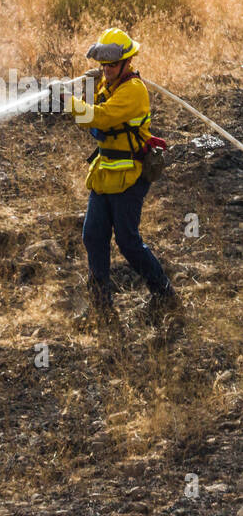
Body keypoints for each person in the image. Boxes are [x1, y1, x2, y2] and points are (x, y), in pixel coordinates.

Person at [64, 28, 179, 324]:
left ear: (128, 62)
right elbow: (93, 113)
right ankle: (101, 306)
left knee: (127, 242)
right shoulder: (108, 83)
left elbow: (100, 117)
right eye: (103, 64)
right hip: (105, 173)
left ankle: (165, 294)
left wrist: (66, 101)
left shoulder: (133, 91)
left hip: (130, 175)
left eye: (112, 64)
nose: (107, 69)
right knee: (93, 235)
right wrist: (90, 86)